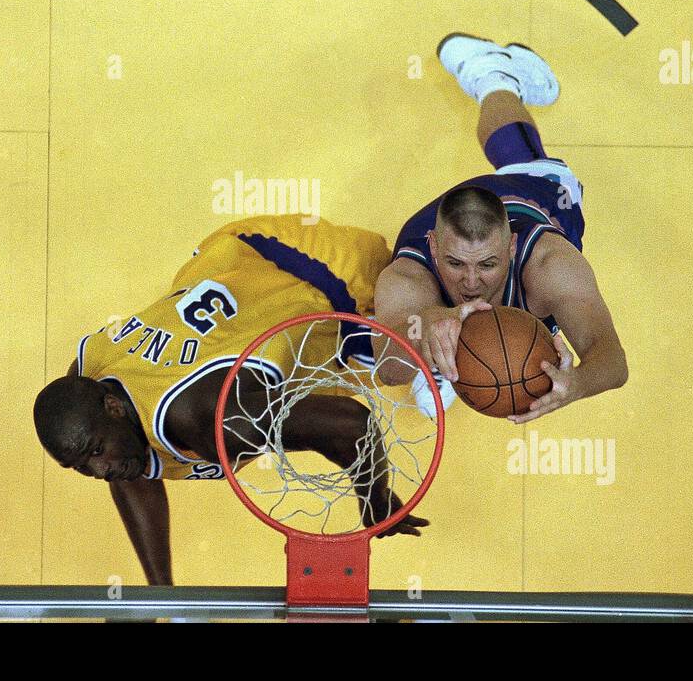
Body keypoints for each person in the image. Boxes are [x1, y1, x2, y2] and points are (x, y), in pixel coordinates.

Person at [34, 215, 428, 586]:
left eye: (96, 453)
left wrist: (375, 503)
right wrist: (160, 589)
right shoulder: (88, 382)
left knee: (460, 357)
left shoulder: (212, 423)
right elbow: (132, 470)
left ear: (114, 407)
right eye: (82, 466)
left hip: (320, 269)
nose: (100, 470)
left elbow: (353, 425)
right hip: (235, 269)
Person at [374, 35, 628, 423]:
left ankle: (492, 74)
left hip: (534, 190)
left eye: (488, 265)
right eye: (456, 264)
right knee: (419, 329)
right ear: (434, 245)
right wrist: (426, 329)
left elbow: (611, 361)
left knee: (520, 157)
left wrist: (578, 383)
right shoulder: (408, 275)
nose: (472, 281)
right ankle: (444, 349)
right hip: (441, 264)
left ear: (511, 246)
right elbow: (389, 369)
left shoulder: (550, 265)